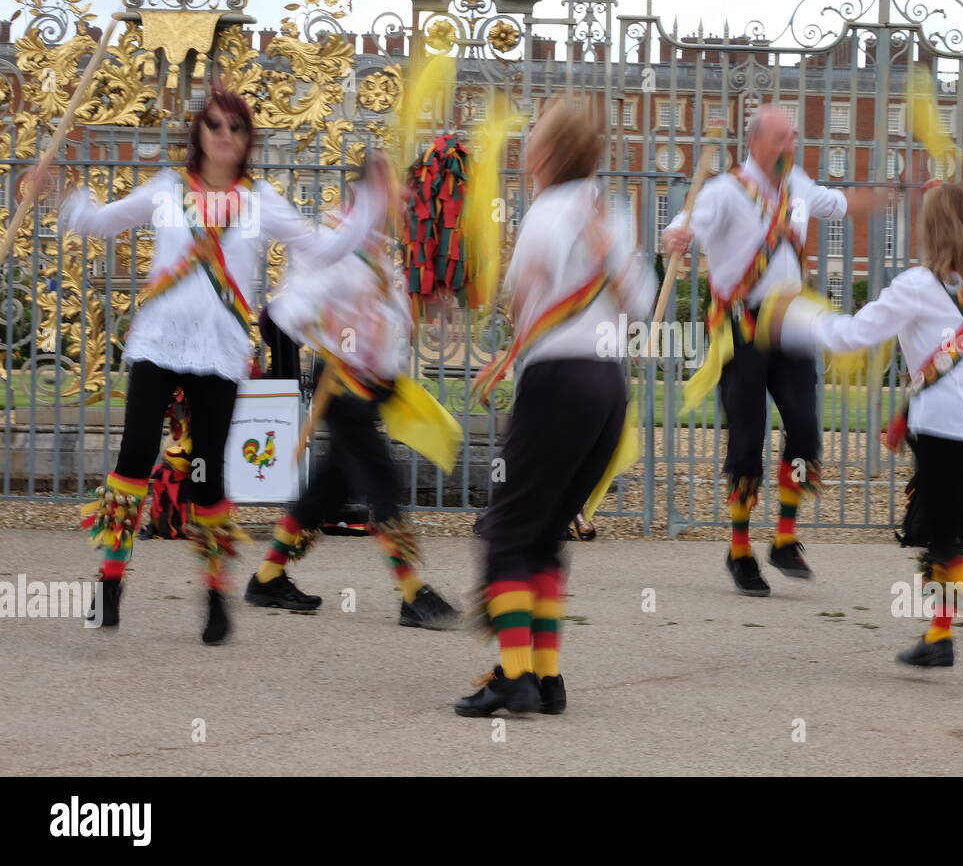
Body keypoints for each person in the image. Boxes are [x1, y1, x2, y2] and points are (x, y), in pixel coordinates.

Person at [62, 89, 389, 645]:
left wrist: (372, 208)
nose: (223, 133)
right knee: (135, 454)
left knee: (207, 470)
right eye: (213, 123)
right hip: (159, 343)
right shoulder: (168, 190)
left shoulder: (261, 201)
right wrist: (61, 195)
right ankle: (110, 581)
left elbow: (323, 248)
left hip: (219, 351)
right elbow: (99, 222)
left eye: (236, 127)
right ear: (199, 132)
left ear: (246, 140)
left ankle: (215, 592)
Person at [760, 182, 963, 692]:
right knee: (947, 533)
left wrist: (796, 312)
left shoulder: (918, 285)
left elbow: (851, 335)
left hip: (942, 429)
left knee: (942, 546)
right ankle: (938, 638)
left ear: (933, 229)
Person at [454, 99, 654, 717]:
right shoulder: (609, 214)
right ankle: (547, 678)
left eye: (532, 139)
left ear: (546, 153)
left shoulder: (544, 213)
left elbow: (522, 296)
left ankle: (513, 675)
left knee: (510, 532)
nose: (524, 150)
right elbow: (642, 307)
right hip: (606, 389)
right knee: (545, 535)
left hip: (558, 385)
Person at [661, 104, 891, 596]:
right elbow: (685, 222)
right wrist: (674, 234)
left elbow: (836, 203)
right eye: (782, 139)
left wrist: (876, 199)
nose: (791, 146)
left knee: (806, 431)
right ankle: (740, 548)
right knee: (746, 439)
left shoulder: (798, 185)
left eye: (792, 139)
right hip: (741, 327)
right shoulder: (723, 192)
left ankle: (785, 538)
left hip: (791, 323)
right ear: (756, 142)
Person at [244, 157, 459, 631]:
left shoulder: (376, 249)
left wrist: (423, 306)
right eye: (395, 189)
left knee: (326, 491)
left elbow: (387, 311)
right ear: (369, 192)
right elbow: (289, 307)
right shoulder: (334, 245)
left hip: (373, 387)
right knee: (382, 480)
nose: (404, 199)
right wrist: (305, 324)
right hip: (345, 387)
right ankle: (411, 592)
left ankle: (267, 577)